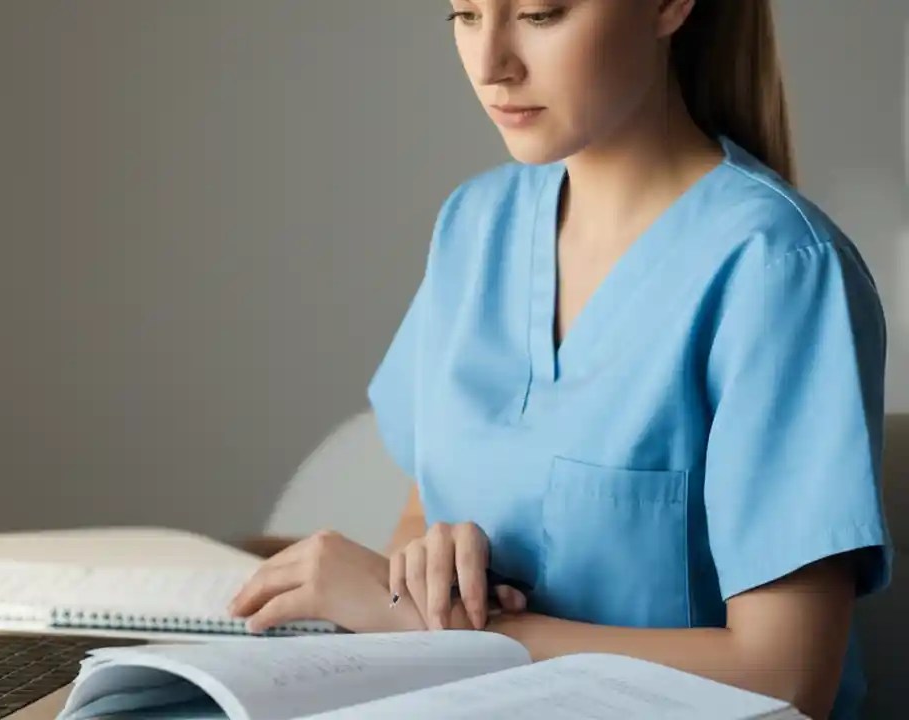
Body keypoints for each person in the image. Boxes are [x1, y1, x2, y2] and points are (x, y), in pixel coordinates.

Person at [227, 2, 893, 718]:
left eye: (541, 15)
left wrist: (451, 630)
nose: (492, 67)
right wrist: (430, 566)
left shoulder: (778, 269)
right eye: (464, 15)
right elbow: (424, 510)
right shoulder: (473, 228)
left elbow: (786, 679)